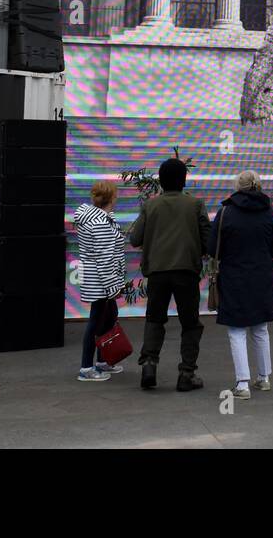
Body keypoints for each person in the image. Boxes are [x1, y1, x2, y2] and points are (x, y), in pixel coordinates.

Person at [129, 156, 210, 391]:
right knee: (190, 323)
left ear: (161, 181)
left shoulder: (150, 205)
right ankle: (186, 374)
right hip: (186, 272)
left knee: (155, 319)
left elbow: (135, 239)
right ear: (184, 180)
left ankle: (149, 365)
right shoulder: (195, 205)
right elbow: (208, 240)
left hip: (157, 273)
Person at [209, 170, 273, 399]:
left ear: (238, 187)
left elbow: (213, 249)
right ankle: (264, 378)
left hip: (234, 278)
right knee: (260, 328)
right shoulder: (268, 213)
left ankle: (242, 384)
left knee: (237, 330)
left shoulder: (226, 213)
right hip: (262, 277)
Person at [73, 180, 127, 382]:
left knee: (108, 317)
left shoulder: (100, 219)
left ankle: (102, 361)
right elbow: (105, 258)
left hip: (99, 278)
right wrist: (113, 287)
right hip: (102, 280)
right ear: (112, 198)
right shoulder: (100, 223)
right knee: (97, 321)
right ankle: (87, 368)